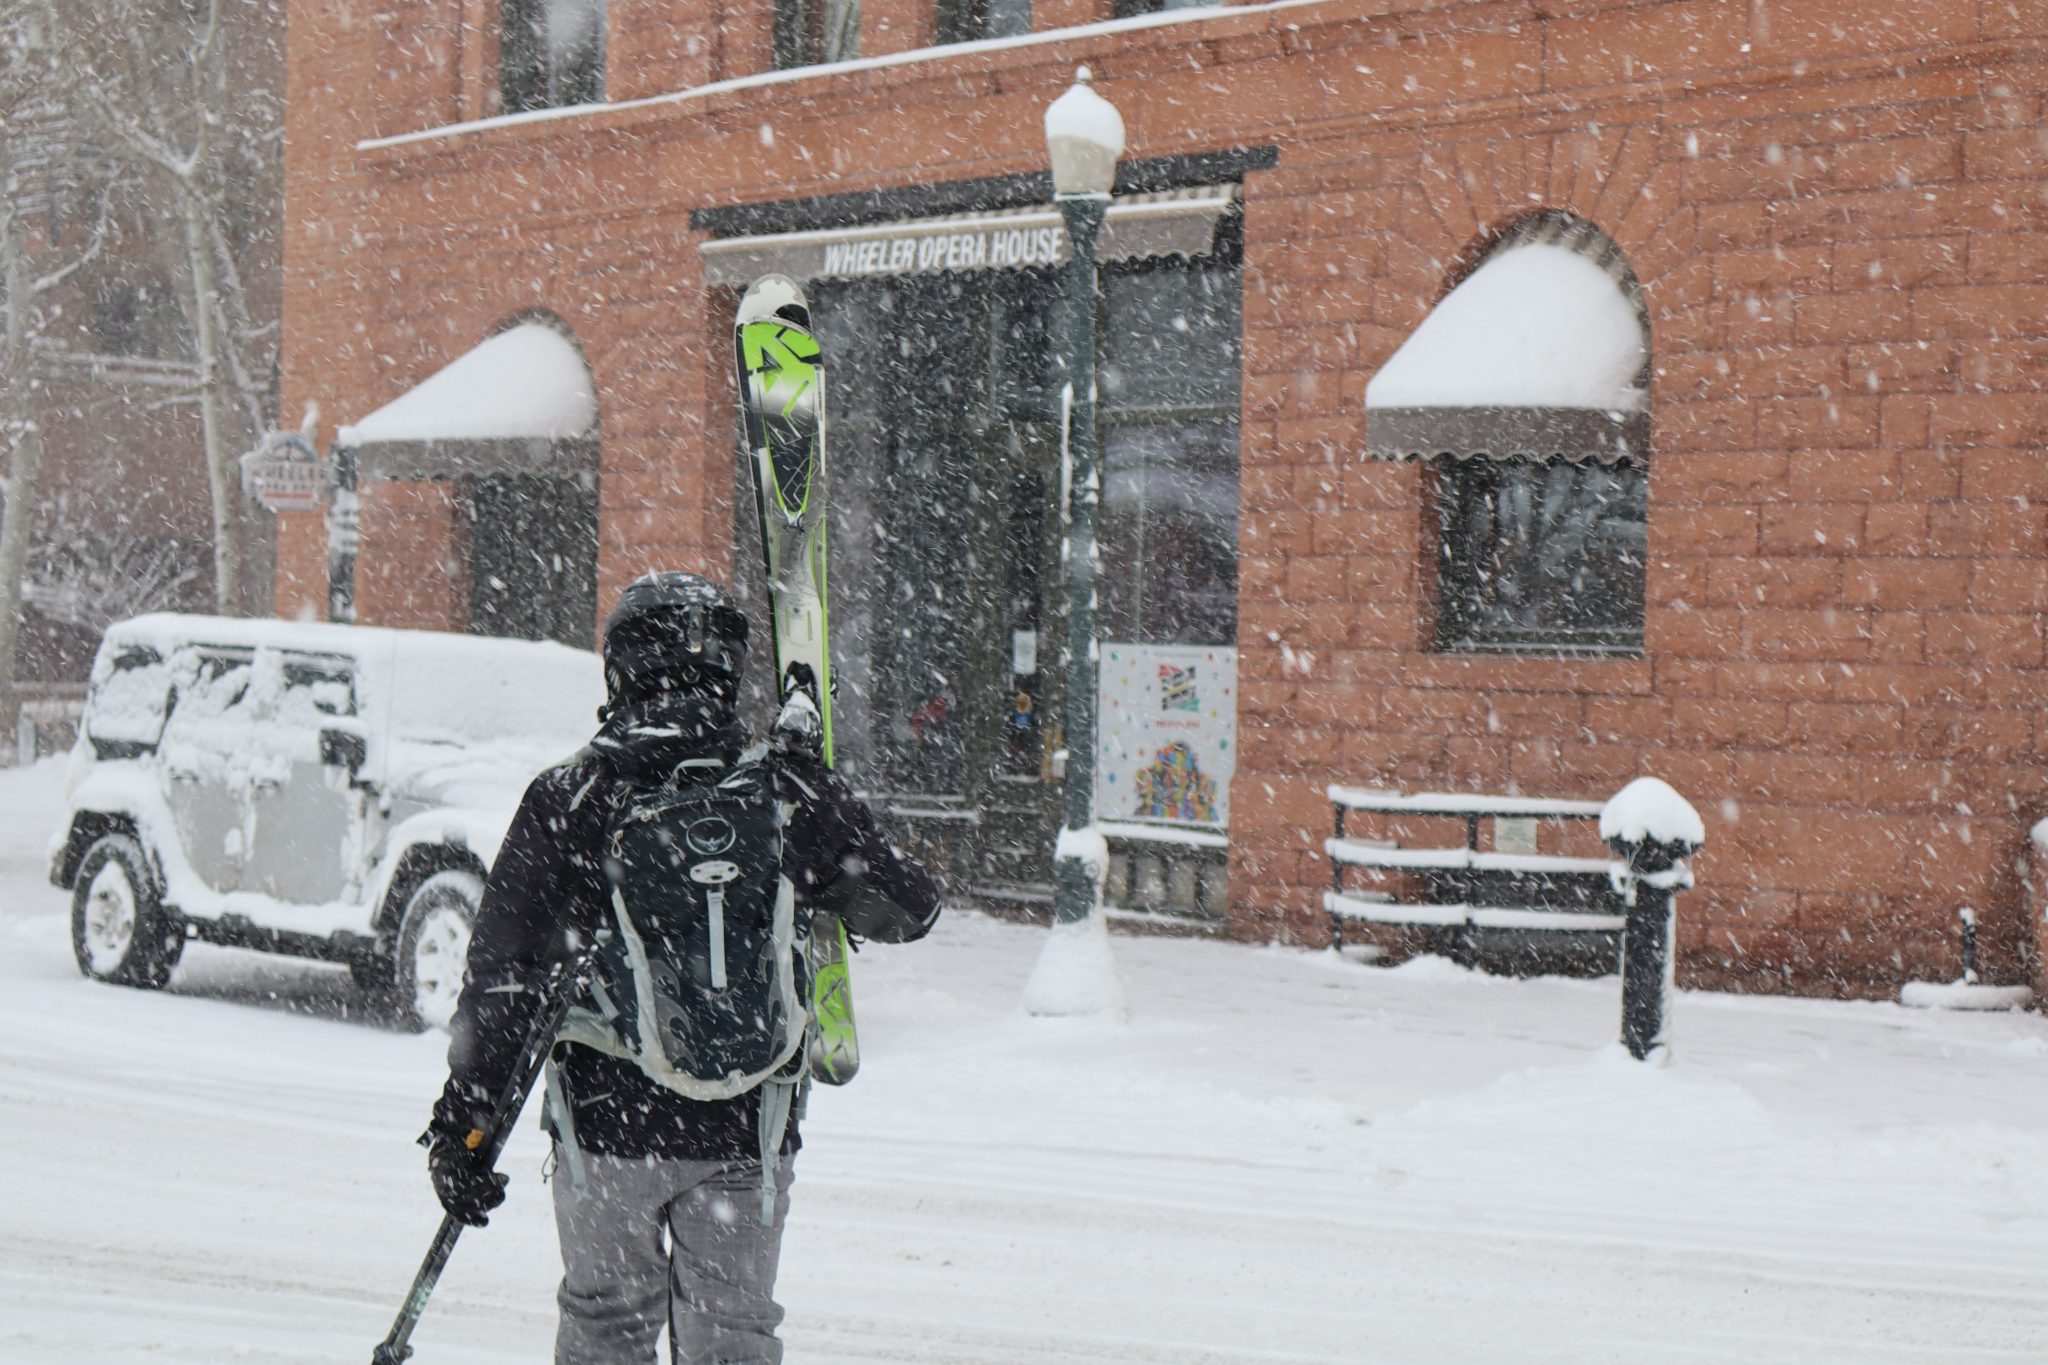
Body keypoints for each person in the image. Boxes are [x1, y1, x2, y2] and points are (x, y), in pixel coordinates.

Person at [423, 571, 941, 1365]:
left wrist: (466, 1124)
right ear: (728, 668)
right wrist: (820, 787)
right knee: (734, 1332)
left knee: (606, 1325)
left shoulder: (572, 792)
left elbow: (503, 974)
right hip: (748, 1126)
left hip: (608, 1122)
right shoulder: (779, 784)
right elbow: (910, 906)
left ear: (620, 668)